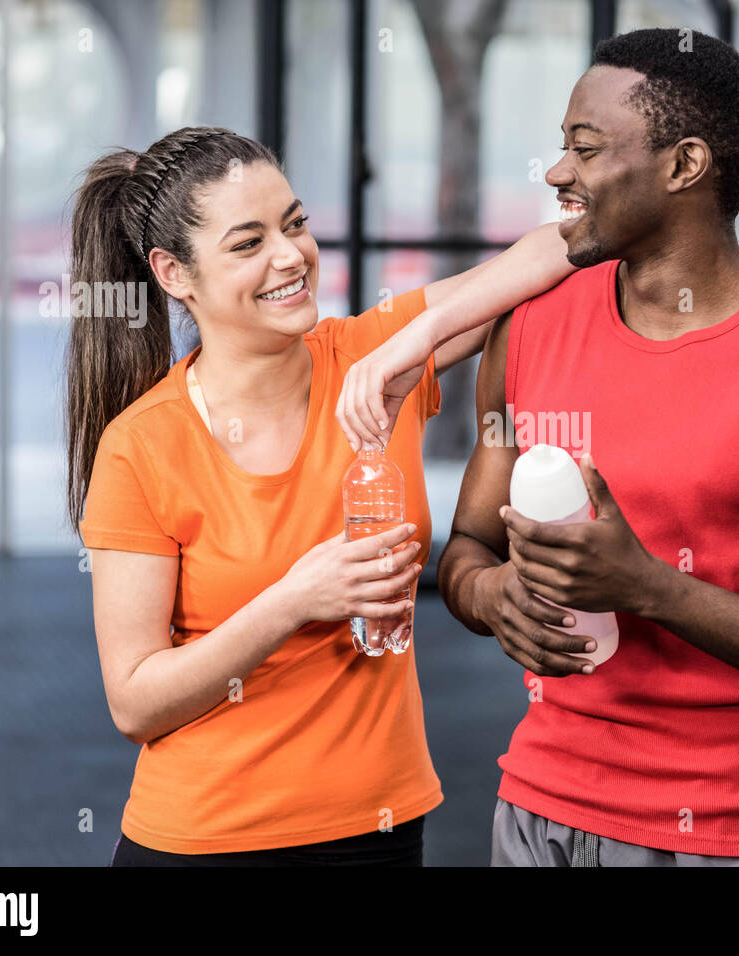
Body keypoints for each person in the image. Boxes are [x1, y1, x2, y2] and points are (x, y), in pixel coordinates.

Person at [340, 29, 739, 867]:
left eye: (584, 149)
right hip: (536, 816)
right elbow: (469, 548)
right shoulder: (532, 325)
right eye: (561, 147)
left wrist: (654, 590)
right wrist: (494, 595)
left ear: (684, 166)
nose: (556, 173)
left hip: (732, 834)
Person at [66, 126, 575, 866]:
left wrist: (421, 335)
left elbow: (559, 246)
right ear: (173, 273)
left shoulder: (372, 362)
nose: (289, 256)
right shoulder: (143, 446)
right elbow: (136, 701)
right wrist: (297, 599)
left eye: (295, 224)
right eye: (247, 243)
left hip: (379, 828)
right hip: (204, 840)